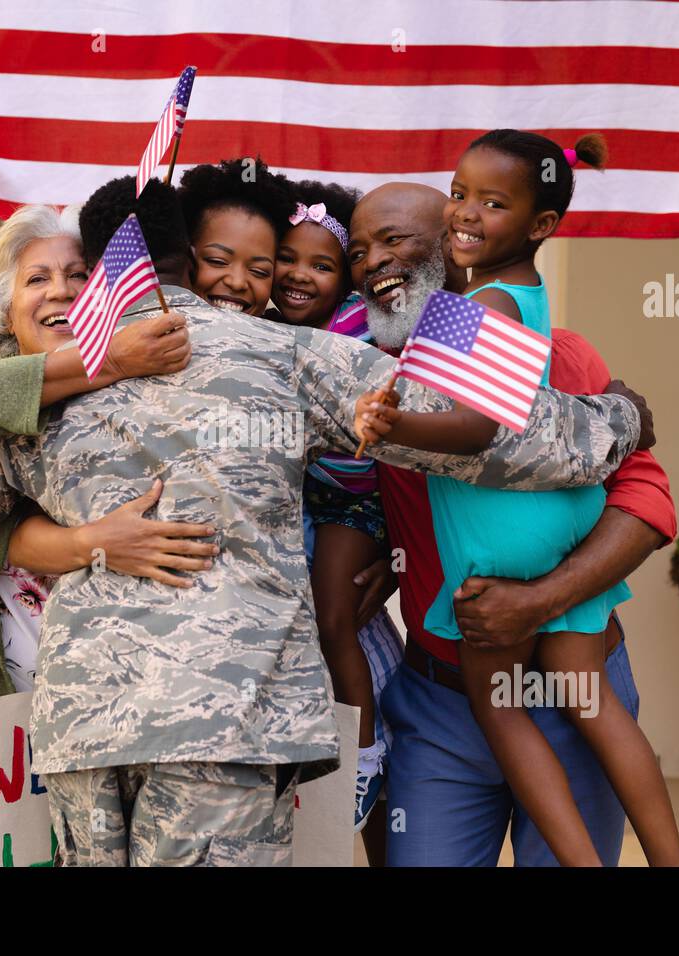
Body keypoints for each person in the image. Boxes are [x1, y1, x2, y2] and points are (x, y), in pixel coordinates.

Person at [0, 177, 650, 866]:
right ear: (186, 252)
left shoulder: (43, 393)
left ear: (106, 266)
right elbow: (476, 428)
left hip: (83, 735)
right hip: (229, 729)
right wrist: (614, 417)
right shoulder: (284, 355)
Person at [354, 130, 679, 866]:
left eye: (398, 240)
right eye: (359, 249)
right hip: (438, 707)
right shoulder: (360, 374)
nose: (375, 261)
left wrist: (539, 600)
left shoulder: (554, 351)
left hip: (562, 677)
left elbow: (650, 504)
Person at [0, 202, 206, 865]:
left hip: (127, 721)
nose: (60, 291)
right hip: (4, 712)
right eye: (37, 279)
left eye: (78, 274)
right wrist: (111, 360)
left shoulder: (151, 403)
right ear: (6, 310)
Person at [267, 179, 398, 831]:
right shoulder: (264, 329)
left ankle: (365, 753)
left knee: (333, 617)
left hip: (356, 504)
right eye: (287, 257)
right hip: (312, 495)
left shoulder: (361, 323)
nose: (298, 274)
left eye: (322, 264)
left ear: (345, 278)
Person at [177, 157, 295, 315]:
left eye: (259, 271)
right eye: (217, 261)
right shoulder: (140, 332)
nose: (237, 283)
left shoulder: (292, 339)